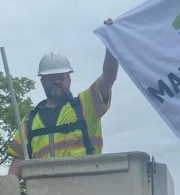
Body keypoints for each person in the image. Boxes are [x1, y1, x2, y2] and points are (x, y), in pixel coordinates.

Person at [7, 20, 119, 176]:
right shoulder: (29, 121)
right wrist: (7, 194)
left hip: (87, 191)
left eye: (61, 77)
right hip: (44, 194)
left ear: (69, 80)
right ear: (42, 82)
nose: (57, 81)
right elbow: (17, 161)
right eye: (51, 77)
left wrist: (112, 41)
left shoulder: (86, 105)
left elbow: (109, 77)